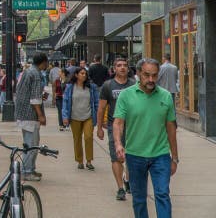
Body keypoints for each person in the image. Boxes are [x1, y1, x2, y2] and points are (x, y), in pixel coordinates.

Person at [113, 58, 178, 218]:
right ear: (138, 73)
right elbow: (118, 122)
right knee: (139, 198)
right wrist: (118, 144)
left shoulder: (165, 96)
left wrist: (174, 157)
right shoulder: (126, 95)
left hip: (160, 155)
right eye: (146, 75)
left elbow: (171, 128)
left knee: (162, 194)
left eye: (154, 75)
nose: (151, 79)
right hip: (135, 155)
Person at [97, 57, 135, 201]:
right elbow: (101, 108)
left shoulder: (134, 84)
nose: (122, 67)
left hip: (133, 126)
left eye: (125, 65)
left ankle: (128, 180)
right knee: (116, 157)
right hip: (115, 126)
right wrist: (99, 128)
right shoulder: (108, 86)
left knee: (131, 157)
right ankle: (120, 188)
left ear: (128, 68)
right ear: (114, 69)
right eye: (119, 65)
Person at [14, 52, 49, 183]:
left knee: (29, 144)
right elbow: (34, 99)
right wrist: (41, 115)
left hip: (22, 113)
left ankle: (30, 169)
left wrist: (40, 95)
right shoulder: (36, 74)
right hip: (30, 115)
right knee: (32, 146)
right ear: (43, 62)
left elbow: (27, 92)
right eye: (47, 62)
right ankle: (27, 171)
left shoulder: (28, 71)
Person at [62, 66, 99, 171]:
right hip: (74, 117)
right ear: (76, 75)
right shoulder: (70, 87)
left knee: (88, 137)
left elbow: (96, 102)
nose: (84, 75)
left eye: (85, 73)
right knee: (77, 139)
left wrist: (98, 115)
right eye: (82, 73)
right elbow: (65, 102)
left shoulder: (91, 87)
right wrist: (65, 116)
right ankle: (80, 161)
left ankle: (89, 161)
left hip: (88, 116)